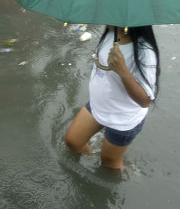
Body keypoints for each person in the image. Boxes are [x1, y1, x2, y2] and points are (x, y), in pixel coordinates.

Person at [64, 25, 160, 170]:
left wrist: (123, 70)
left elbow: (145, 101)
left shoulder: (145, 52)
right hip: (99, 105)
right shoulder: (111, 33)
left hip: (123, 118)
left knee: (109, 162)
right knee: (73, 141)